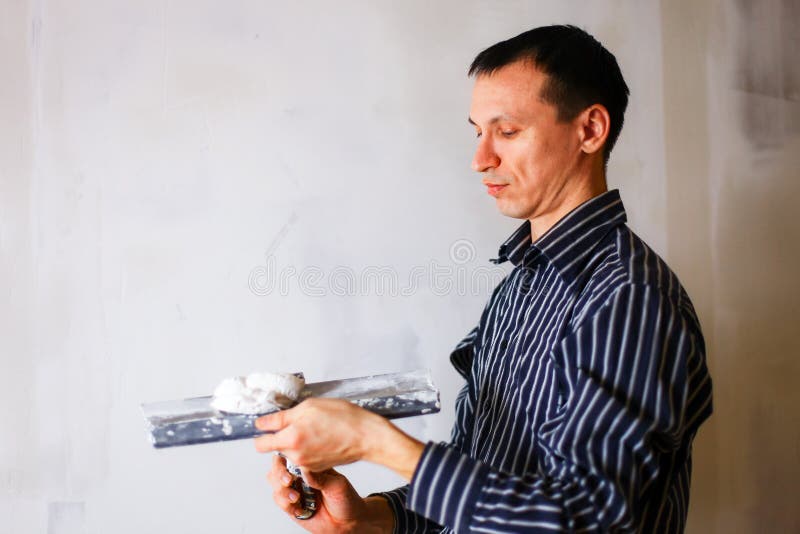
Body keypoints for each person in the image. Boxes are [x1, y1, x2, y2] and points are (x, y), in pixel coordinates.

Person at [254, 25, 713, 533]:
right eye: (478, 132)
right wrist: (372, 517)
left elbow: (586, 519)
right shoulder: (520, 287)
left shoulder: (630, 299)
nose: (480, 160)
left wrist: (375, 442)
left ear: (589, 130)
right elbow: (486, 479)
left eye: (507, 131)